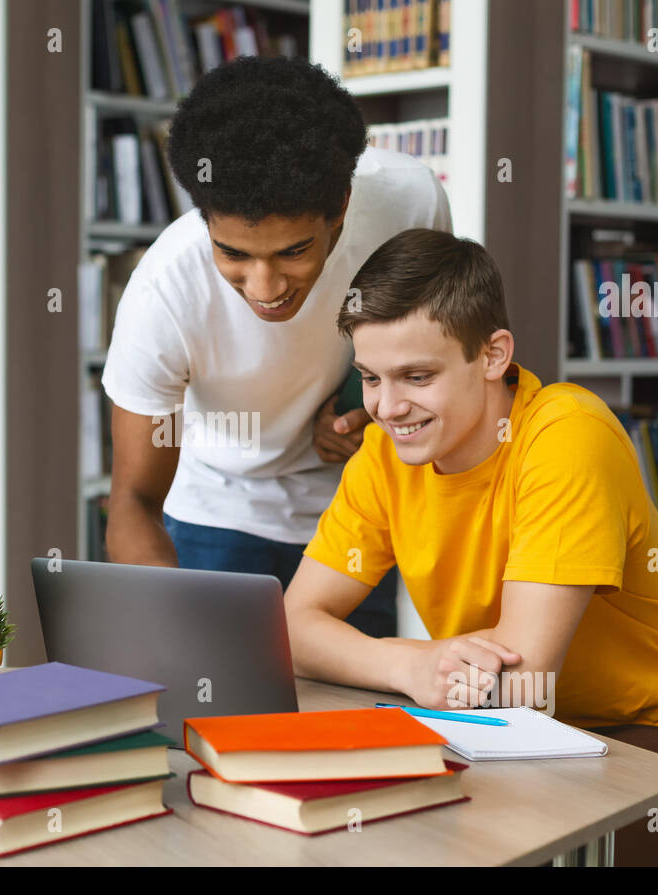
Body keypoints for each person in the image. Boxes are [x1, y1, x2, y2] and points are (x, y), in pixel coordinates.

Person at [283, 227, 658, 866]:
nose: (387, 407)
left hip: (642, 745)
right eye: (370, 379)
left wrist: (409, 665)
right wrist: (411, 667)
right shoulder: (385, 454)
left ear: (493, 355)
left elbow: (523, 678)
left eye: (416, 376)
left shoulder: (566, 436)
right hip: (492, 740)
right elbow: (295, 627)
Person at [101, 56, 451, 637]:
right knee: (215, 711)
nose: (265, 290)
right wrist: (169, 618)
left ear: (339, 206)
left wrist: (361, 406)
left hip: (353, 519)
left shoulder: (409, 205)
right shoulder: (164, 290)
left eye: (292, 251)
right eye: (234, 254)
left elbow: (425, 342)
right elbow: (133, 499)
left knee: (352, 717)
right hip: (217, 514)